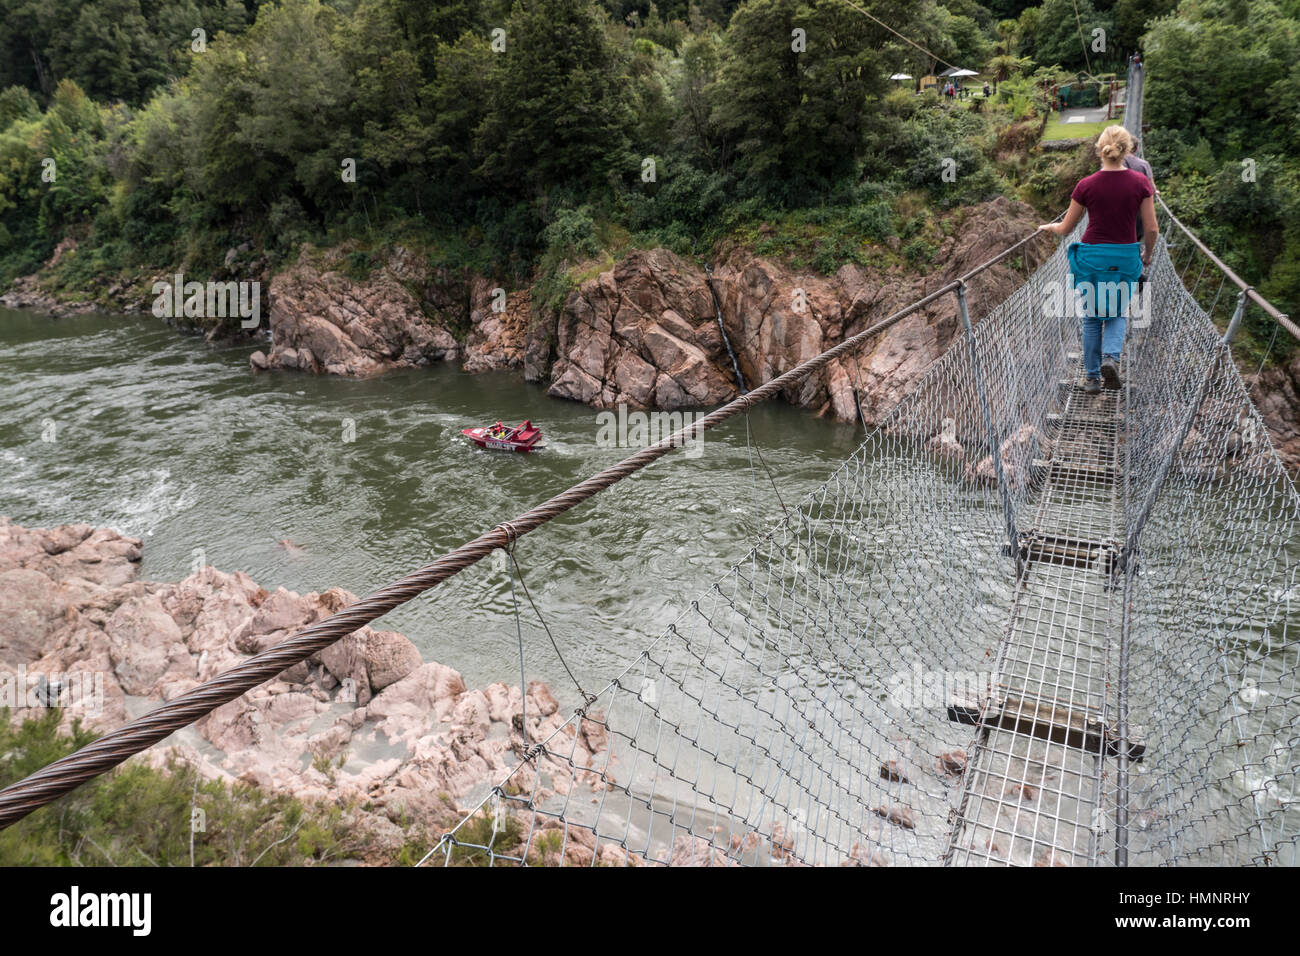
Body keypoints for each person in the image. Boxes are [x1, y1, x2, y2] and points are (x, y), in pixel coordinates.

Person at [1037, 125, 1157, 393]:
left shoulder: (1086, 185)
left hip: (1092, 256)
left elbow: (1066, 229)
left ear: (1099, 150)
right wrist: (1147, 255)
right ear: (1127, 150)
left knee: (1092, 317)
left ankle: (1092, 379)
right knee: (1116, 312)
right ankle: (1111, 358)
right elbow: (1151, 229)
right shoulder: (1141, 183)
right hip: (1126, 257)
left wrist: (1049, 227)